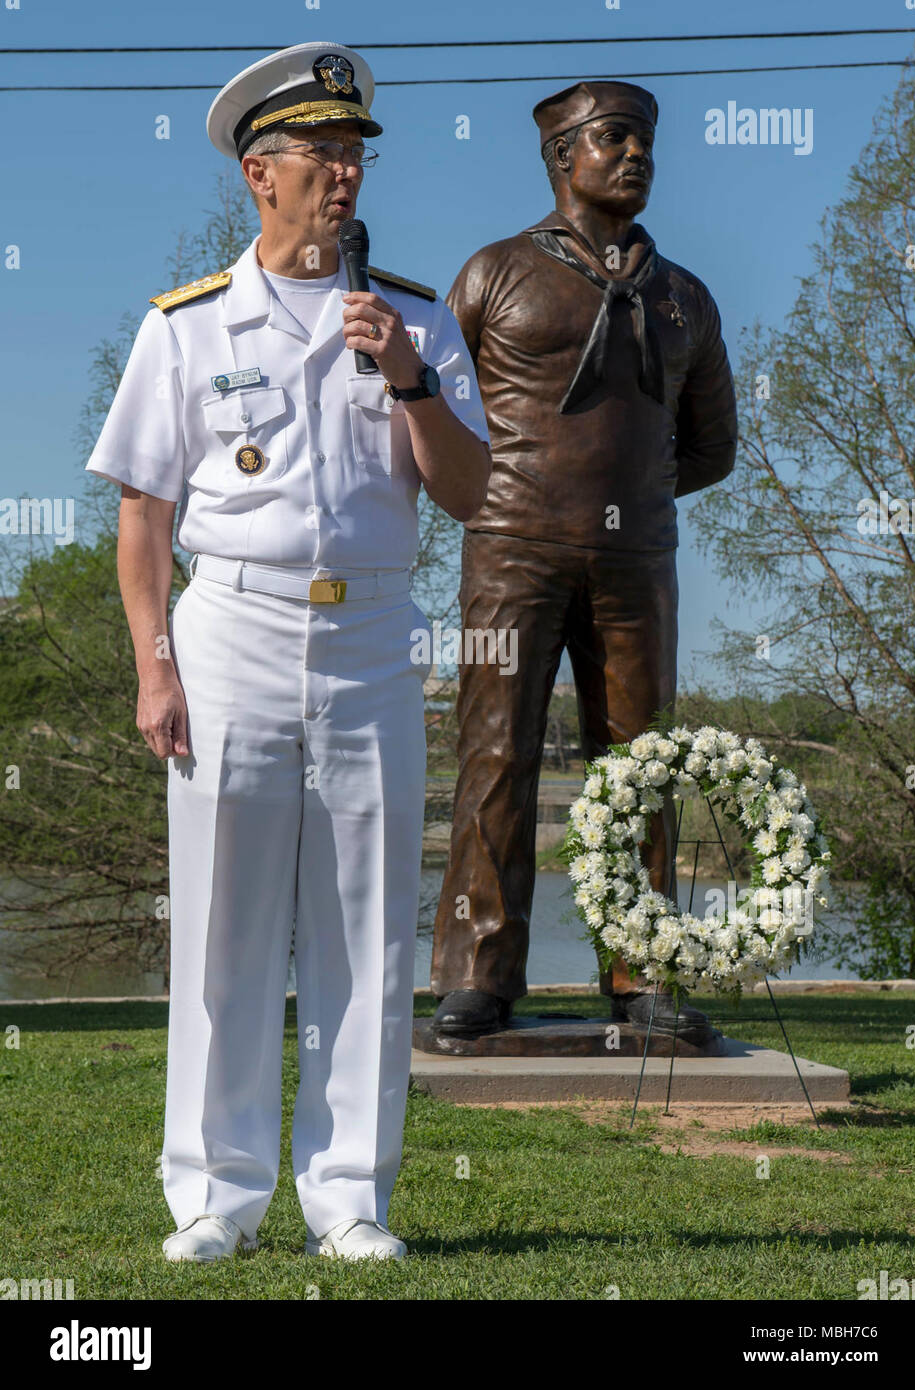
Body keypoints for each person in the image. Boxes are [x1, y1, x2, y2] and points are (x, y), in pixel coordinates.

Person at [84, 40, 491, 1262]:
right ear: (258, 175)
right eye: (322, 152)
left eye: (356, 152)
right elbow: (144, 517)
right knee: (224, 920)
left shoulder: (415, 318)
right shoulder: (188, 328)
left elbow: (472, 495)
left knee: (366, 925)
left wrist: (412, 383)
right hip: (233, 628)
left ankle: (350, 1197)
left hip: (370, 632)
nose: (345, 173)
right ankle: (216, 1193)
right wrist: (155, 662)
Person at [429, 81, 737, 1042]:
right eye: (614, 139)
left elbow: (712, 447)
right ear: (563, 155)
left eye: (645, 140)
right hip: (509, 555)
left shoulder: (685, 297)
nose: (636, 155)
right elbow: (438, 416)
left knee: (638, 769)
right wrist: (531, 501)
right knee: (494, 756)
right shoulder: (492, 273)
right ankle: (479, 978)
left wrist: (630, 496)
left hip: (635, 565)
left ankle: (642, 973)